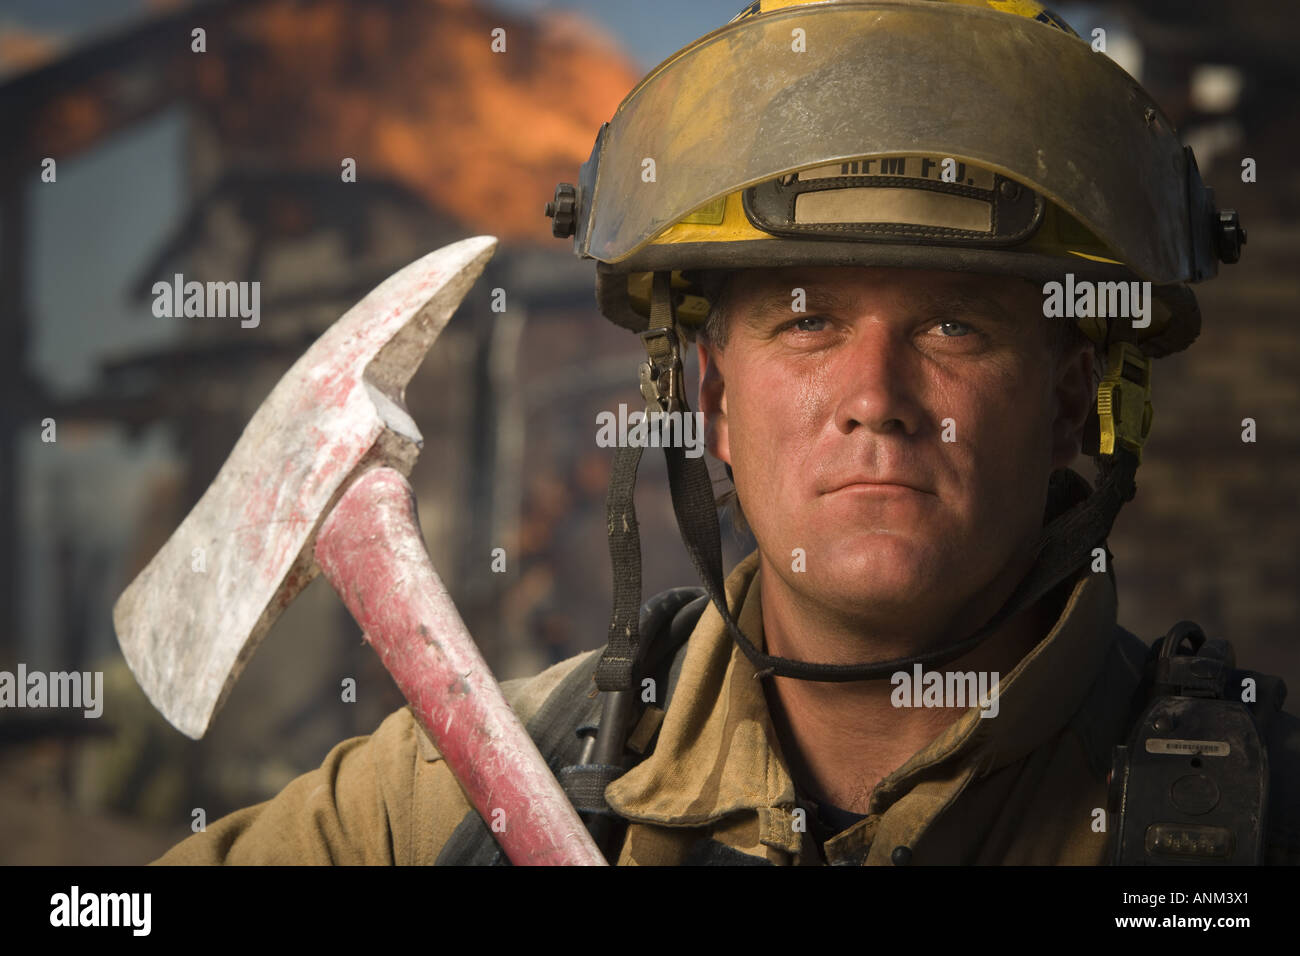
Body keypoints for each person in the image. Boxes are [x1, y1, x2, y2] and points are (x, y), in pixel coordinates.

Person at [154, 0, 1296, 866]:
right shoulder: (458, 788)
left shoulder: (1253, 817)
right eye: (806, 322)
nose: (874, 394)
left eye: (954, 324)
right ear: (709, 403)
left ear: (1067, 401)